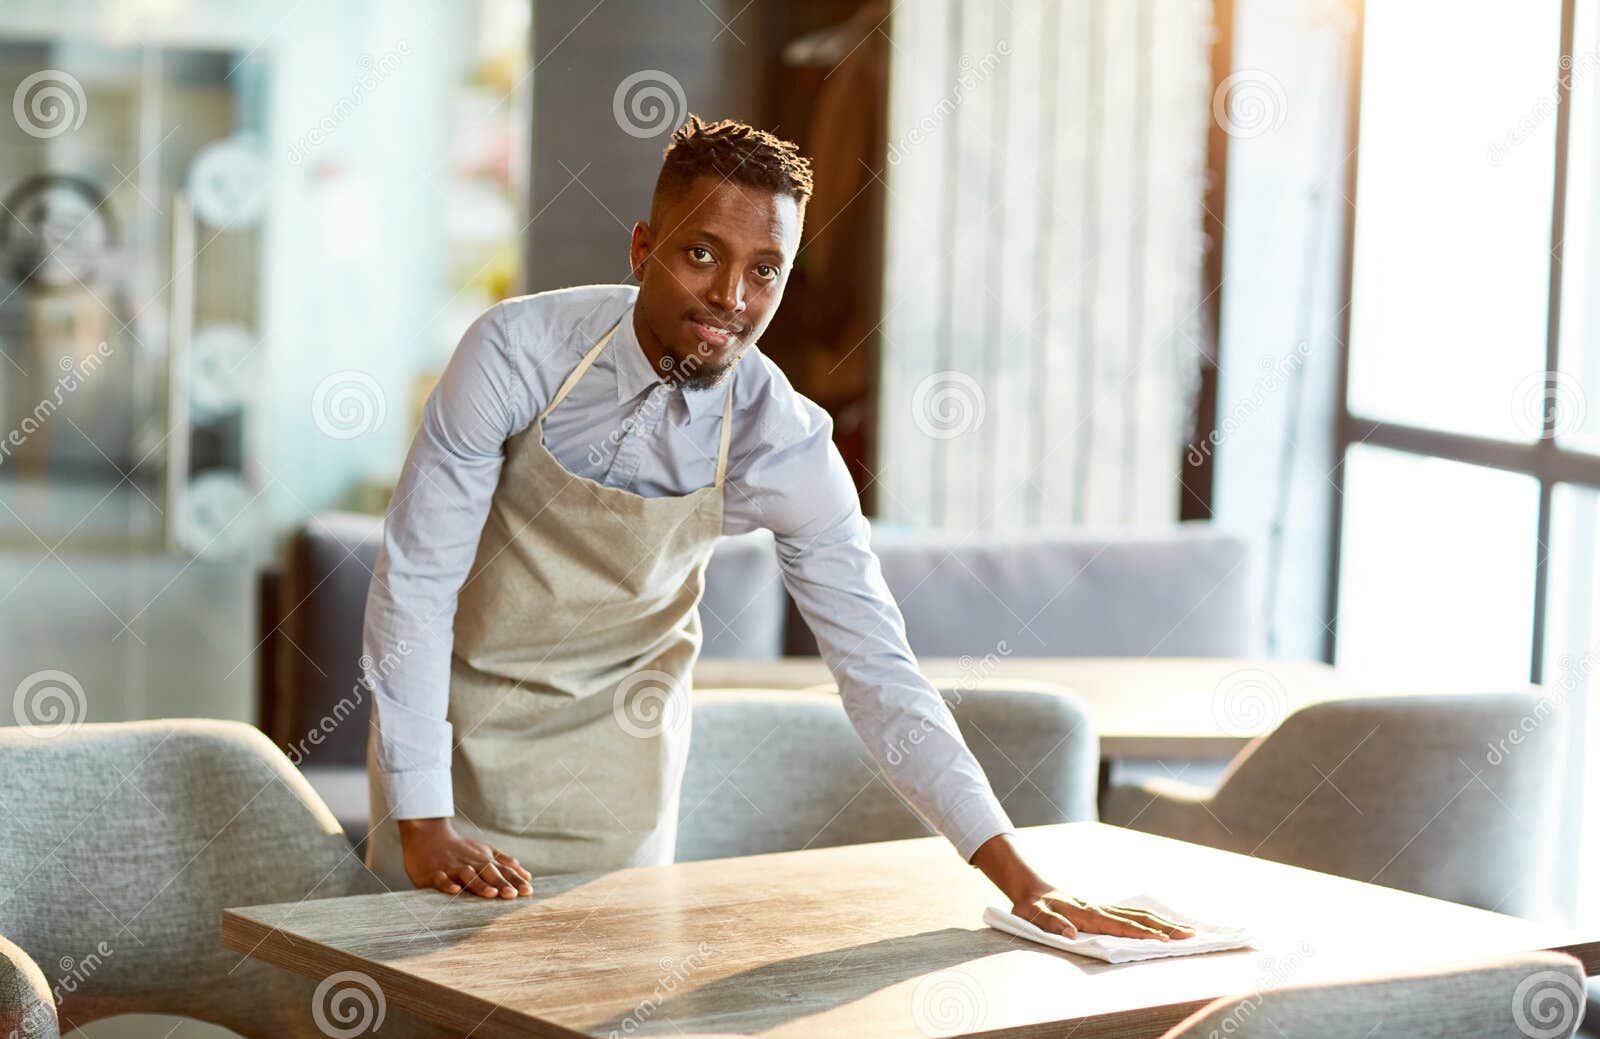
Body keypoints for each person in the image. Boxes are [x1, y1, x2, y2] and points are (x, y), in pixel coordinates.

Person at [360, 114, 1193, 944]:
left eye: (765, 271)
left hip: (616, 788)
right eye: (701, 255)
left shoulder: (783, 441)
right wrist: (422, 815)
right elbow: (419, 583)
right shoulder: (515, 354)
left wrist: (1020, 878)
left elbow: (878, 671)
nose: (731, 297)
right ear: (642, 248)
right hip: (451, 758)